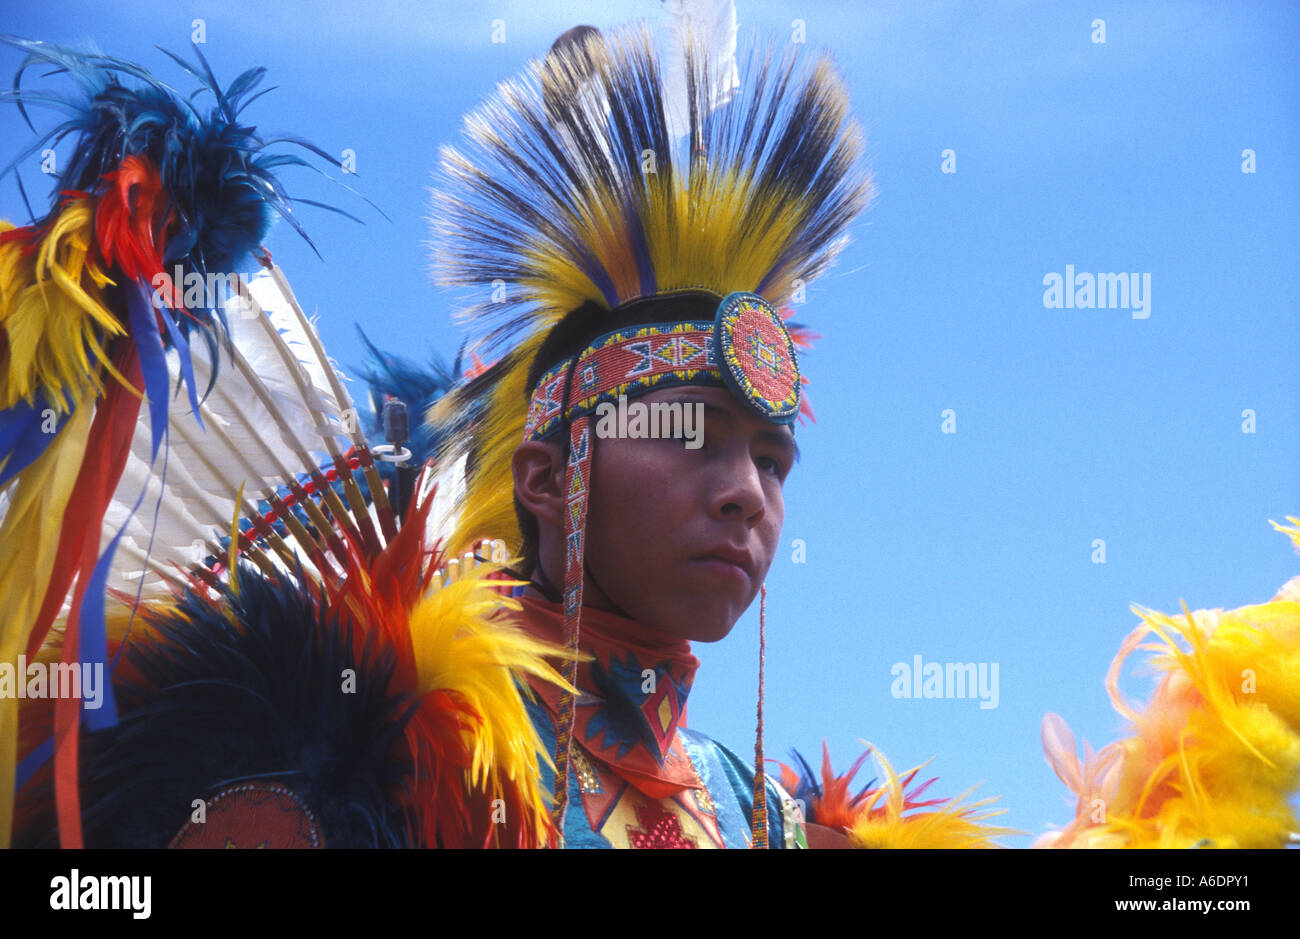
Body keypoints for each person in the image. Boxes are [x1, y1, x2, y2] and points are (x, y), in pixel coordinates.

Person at [423, 21, 871, 847]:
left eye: (773, 462)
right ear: (549, 479)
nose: (747, 493)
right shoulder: (405, 743)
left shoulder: (762, 820)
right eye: (688, 431)